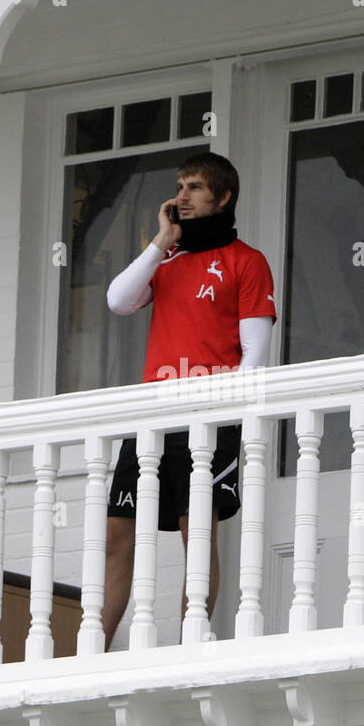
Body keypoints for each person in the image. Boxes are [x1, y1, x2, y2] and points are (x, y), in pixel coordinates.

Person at [102, 152, 276, 649]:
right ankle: (92, 646)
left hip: (209, 419)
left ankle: (190, 644)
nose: (182, 196)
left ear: (223, 197)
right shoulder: (166, 259)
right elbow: (118, 301)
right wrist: (160, 242)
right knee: (119, 532)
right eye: (179, 186)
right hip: (154, 418)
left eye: (195, 187)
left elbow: (255, 355)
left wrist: (227, 417)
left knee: (194, 533)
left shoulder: (247, 262)